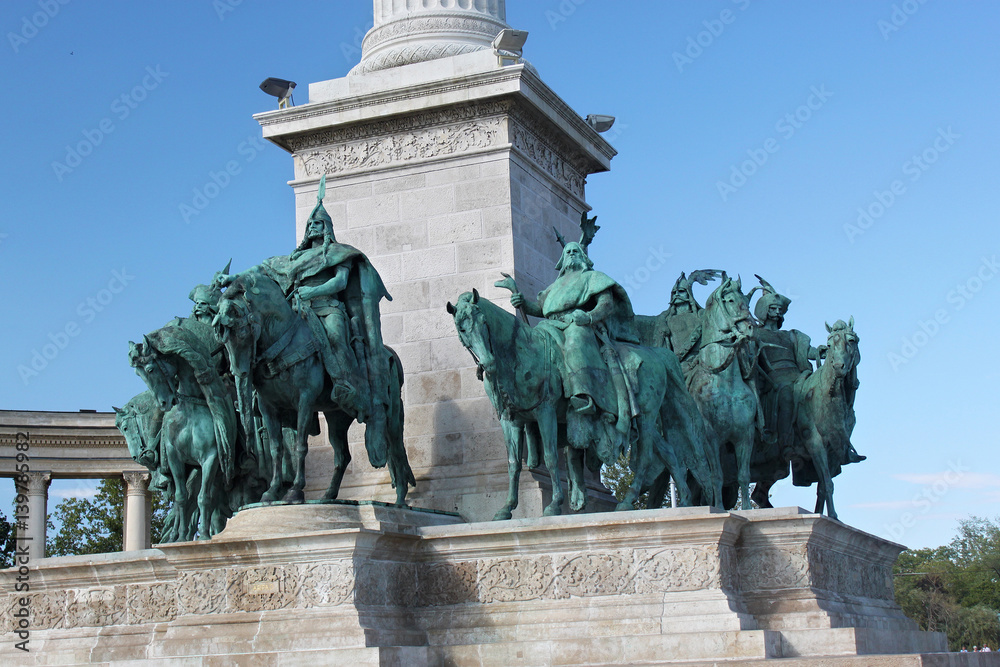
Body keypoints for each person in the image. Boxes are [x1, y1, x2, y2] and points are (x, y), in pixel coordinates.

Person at [510, 240, 639, 456]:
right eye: (567, 252)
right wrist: (522, 302)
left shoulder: (592, 277)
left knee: (574, 344)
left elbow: (606, 304)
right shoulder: (553, 287)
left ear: (582, 256)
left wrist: (588, 316)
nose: (571, 254)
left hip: (579, 325)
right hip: (551, 325)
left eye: (575, 251)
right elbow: (541, 309)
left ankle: (583, 397)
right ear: (562, 259)